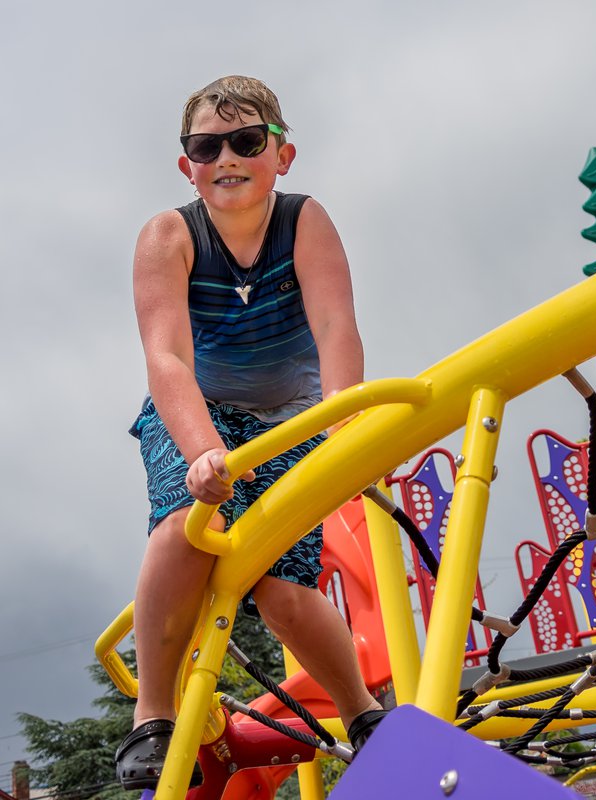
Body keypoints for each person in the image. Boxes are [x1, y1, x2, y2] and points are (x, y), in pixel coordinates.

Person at [115, 76, 386, 790]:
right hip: (196, 412)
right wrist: (204, 450)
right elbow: (166, 356)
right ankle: (152, 711)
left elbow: (335, 326)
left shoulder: (303, 222)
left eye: (247, 141)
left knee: (282, 587)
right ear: (187, 165)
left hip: (289, 421)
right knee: (186, 526)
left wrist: (343, 426)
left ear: (281, 154)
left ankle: (361, 713)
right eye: (208, 146)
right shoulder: (169, 236)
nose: (227, 157)